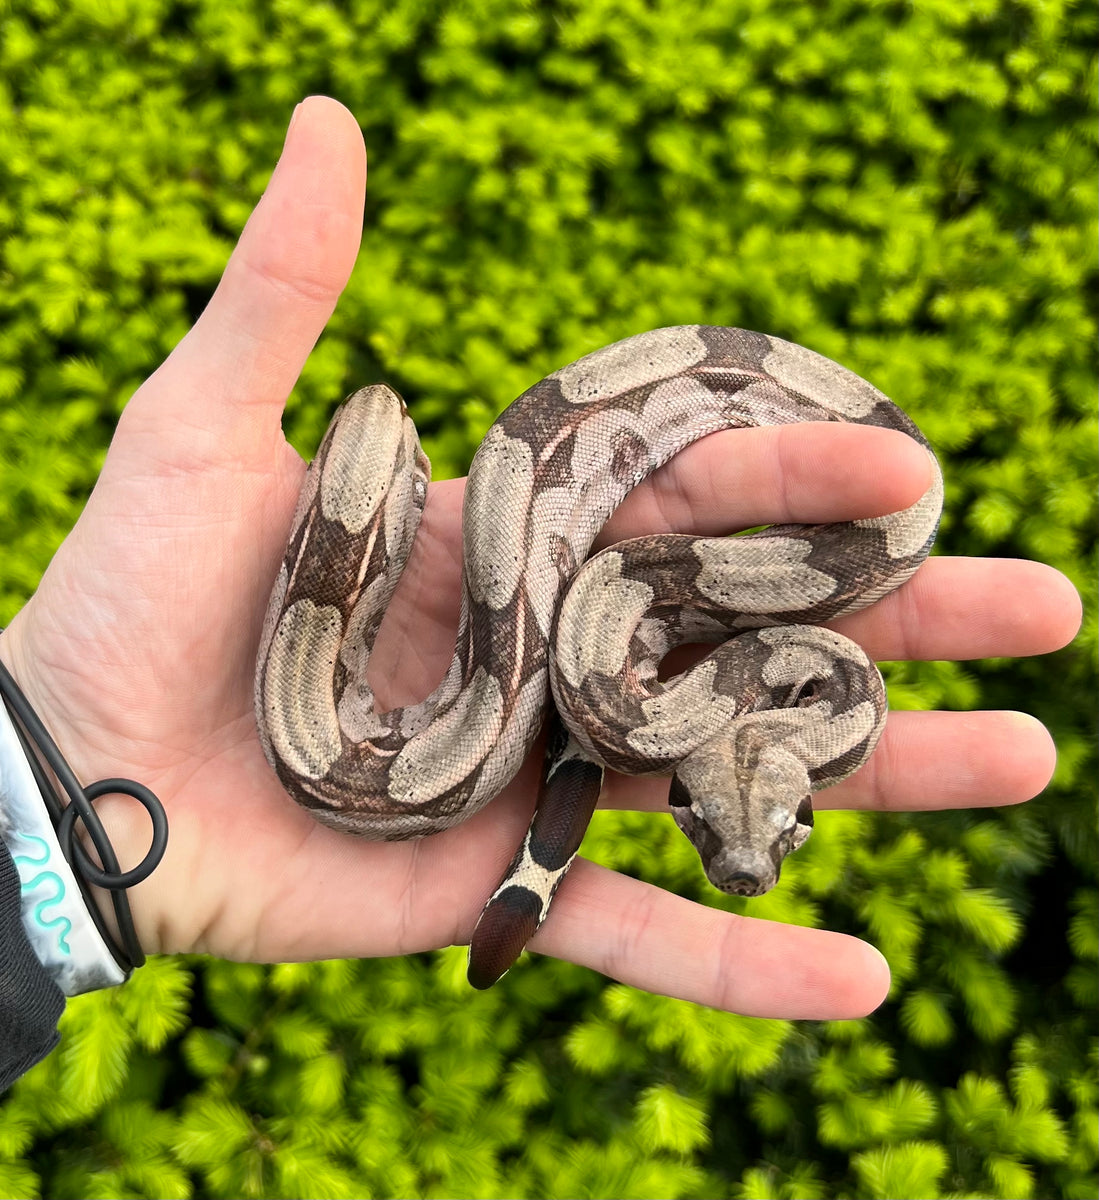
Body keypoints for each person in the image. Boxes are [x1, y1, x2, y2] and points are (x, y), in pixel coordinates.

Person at [0, 97, 1082, 1089]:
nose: (744, 866)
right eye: (748, 835)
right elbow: (617, 648)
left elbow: (623, 655)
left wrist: (54, 814)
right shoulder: (689, 665)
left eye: (735, 838)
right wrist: (59, 793)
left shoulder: (666, 670)